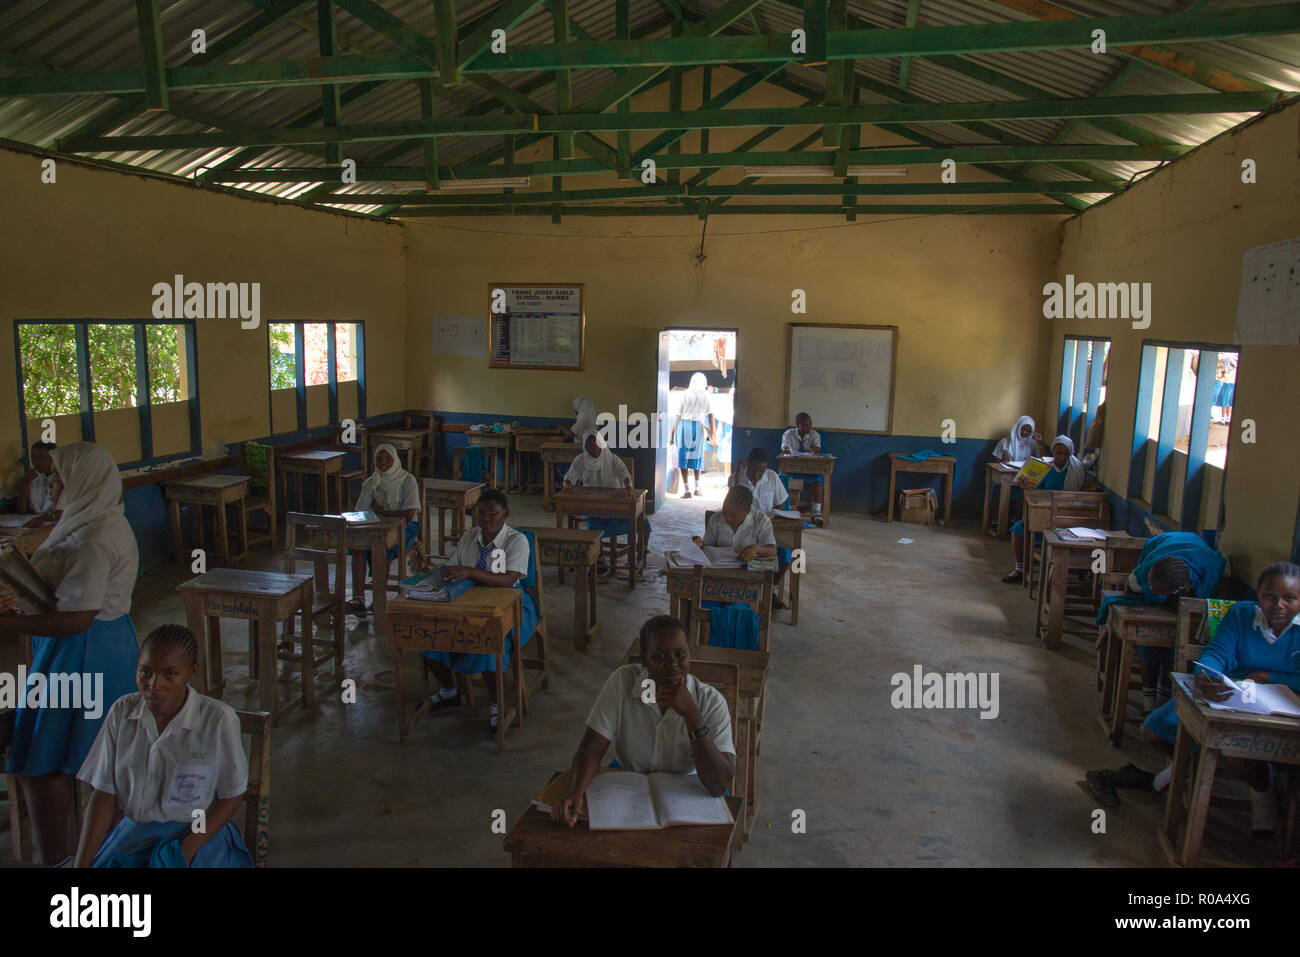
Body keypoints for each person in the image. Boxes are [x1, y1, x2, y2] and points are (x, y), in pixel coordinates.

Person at [0, 442, 140, 867]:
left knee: (42, 764)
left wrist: (7, 624)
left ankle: (60, 860)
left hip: (81, 653)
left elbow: (76, 619)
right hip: (106, 646)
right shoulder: (101, 519)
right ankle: (95, 854)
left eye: (61, 476)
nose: (53, 483)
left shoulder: (93, 538)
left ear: (83, 480)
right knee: (91, 759)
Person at [1088, 563, 1300, 835]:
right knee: (1153, 731)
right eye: (1269, 595)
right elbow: (1218, 651)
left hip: (1280, 709)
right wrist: (1205, 674)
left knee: (1236, 747)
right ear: (1258, 594)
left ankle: (1262, 793)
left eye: (1289, 598)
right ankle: (1189, 768)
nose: (1277, 605)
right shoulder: (1241, 614)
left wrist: (1268, 676)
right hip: (1229, 695)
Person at [73, 625, 253, 868]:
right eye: (145, 672)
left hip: (199, 833)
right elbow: (104, 794)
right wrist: (81, 865)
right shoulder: (122, 712)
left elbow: (231, 796)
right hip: (136, 831)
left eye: (170, 674)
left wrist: (186, 852)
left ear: (191, 672)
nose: (154, 684)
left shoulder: (218, 720)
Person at [551, 615, 736, 826]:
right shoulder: (622, 682)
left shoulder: (710, 701)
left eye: (680, 654)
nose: (672, 664)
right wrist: (576, 791)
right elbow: (591, 748)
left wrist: (692, 716)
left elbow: (719, 784)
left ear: (689, 654)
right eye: (659, 656)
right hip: (630, 786)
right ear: (644, 659)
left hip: (689, 792)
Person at [420, 488, 539, 737]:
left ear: (505, 513)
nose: (486, 518)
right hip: (471, 600)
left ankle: (497, 706)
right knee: (429, 636)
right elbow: (454, 566)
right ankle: (449, 691)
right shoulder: (470, 536)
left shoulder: (516, 540)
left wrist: (470, 572)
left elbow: (508, 580)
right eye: (481, 512)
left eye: (493, 513)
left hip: (513, 603)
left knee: (489, 641)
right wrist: (435, 568)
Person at [1096, 530, 1227, 713]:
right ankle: (1150, 703)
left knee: (1176, 644)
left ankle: (1163, 698)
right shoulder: (1149, 567)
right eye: (1150, 587)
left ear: (1179, 589)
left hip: (1194, 550)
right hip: (1163, 543)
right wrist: (1148, 596)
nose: (1151, 589)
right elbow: (1130, 588)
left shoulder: (1209, 570)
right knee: (1148, 645)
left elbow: (1203, 605)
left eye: (1158, 591)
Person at [691, 486, 777, 649]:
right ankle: (703, 651)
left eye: (733, 515)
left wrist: (756, 549)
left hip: (744, 581)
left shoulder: (761, 520)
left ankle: (734, 654)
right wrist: (699, 544)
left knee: (737, 611)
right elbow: (707, 548)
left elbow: (772, 550)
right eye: (725, 512)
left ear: (747, 511)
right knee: (705, 607)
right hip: (716, 578)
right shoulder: (716, 519)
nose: (728, 518)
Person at [344, 444, 420, 617]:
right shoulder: (372, 482)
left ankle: (379, 598)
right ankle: (358, 599)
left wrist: (381, 511)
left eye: (388, 458)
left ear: (395, 460)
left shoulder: (408, 480)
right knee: (357, 548)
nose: (383, 462)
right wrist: (374, 515)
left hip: (405, 527)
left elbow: (409, 514)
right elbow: (361, 512)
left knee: (381, 546)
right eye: (379, 459)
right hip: (378, 526)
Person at [1000, 435, 1085, 584]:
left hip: (1067, 518)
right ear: (1053, 452)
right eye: (1058, 453)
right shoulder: (1044, 469)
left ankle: (1072, 571)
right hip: (1045, 515)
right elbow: (1034, 492)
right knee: (1018, 529)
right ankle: (1020, 569)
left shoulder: (1077, 470)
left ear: (1070, 453)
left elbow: (1085, 488)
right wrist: (1027, 486)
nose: (1061, 457)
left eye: (1065, 454)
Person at [563, 432, 650, 574]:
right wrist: (568, 484)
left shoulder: (612, 458)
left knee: (643, 521)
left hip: (614, 504)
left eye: (597, 446)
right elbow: (570, 476)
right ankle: (599, 556)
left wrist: (628, 486)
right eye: (590, 447)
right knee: (593, 524)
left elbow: (625, 475)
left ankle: (642, 551)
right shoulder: (581, 460)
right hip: (593, 505)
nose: (594, 450)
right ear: (585, 448)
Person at [728, 448, 793, 609]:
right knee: (739, 553)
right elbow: (732, 501)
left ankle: (769, 589)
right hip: (744, 528)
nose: (757, 474)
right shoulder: (737, 478)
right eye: (753, 470)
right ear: (747, 464)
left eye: (761, 470)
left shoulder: (772, 477)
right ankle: (744, 589)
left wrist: (775, 518)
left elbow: (779, 504)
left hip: (767, 527)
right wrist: (738, 473)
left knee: (785, 554)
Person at [669, 373, 715, 499]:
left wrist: (672, 435)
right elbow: (711, 415)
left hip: (684, 426)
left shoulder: (684, 394)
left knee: (683, 458)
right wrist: (713, 433)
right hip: (698, 427)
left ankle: (687, 490)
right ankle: (697, 488)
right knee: (697, 457)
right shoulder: (707, 396)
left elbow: (678, 415)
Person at [780, 412, 826, 525]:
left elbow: (818, 449)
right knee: (783, 477)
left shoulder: (814, 435)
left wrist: (815, 449)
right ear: (797, 425)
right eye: (805, 425)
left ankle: (816, 513)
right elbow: (784, 447)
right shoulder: (788, 434)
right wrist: (785, 449)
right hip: (793, 468)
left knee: (818, 481)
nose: (808, 428)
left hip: (810, 470)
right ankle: (787, 509)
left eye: (809, 425)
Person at [17, 440, 59, 522]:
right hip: (38, 522)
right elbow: (21, 510)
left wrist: (43, 519)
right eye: (33, 457)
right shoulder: (32, 478)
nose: (36, 462)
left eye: (42, 457)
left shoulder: (62, 478)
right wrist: (25, 484)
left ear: (54, 458)